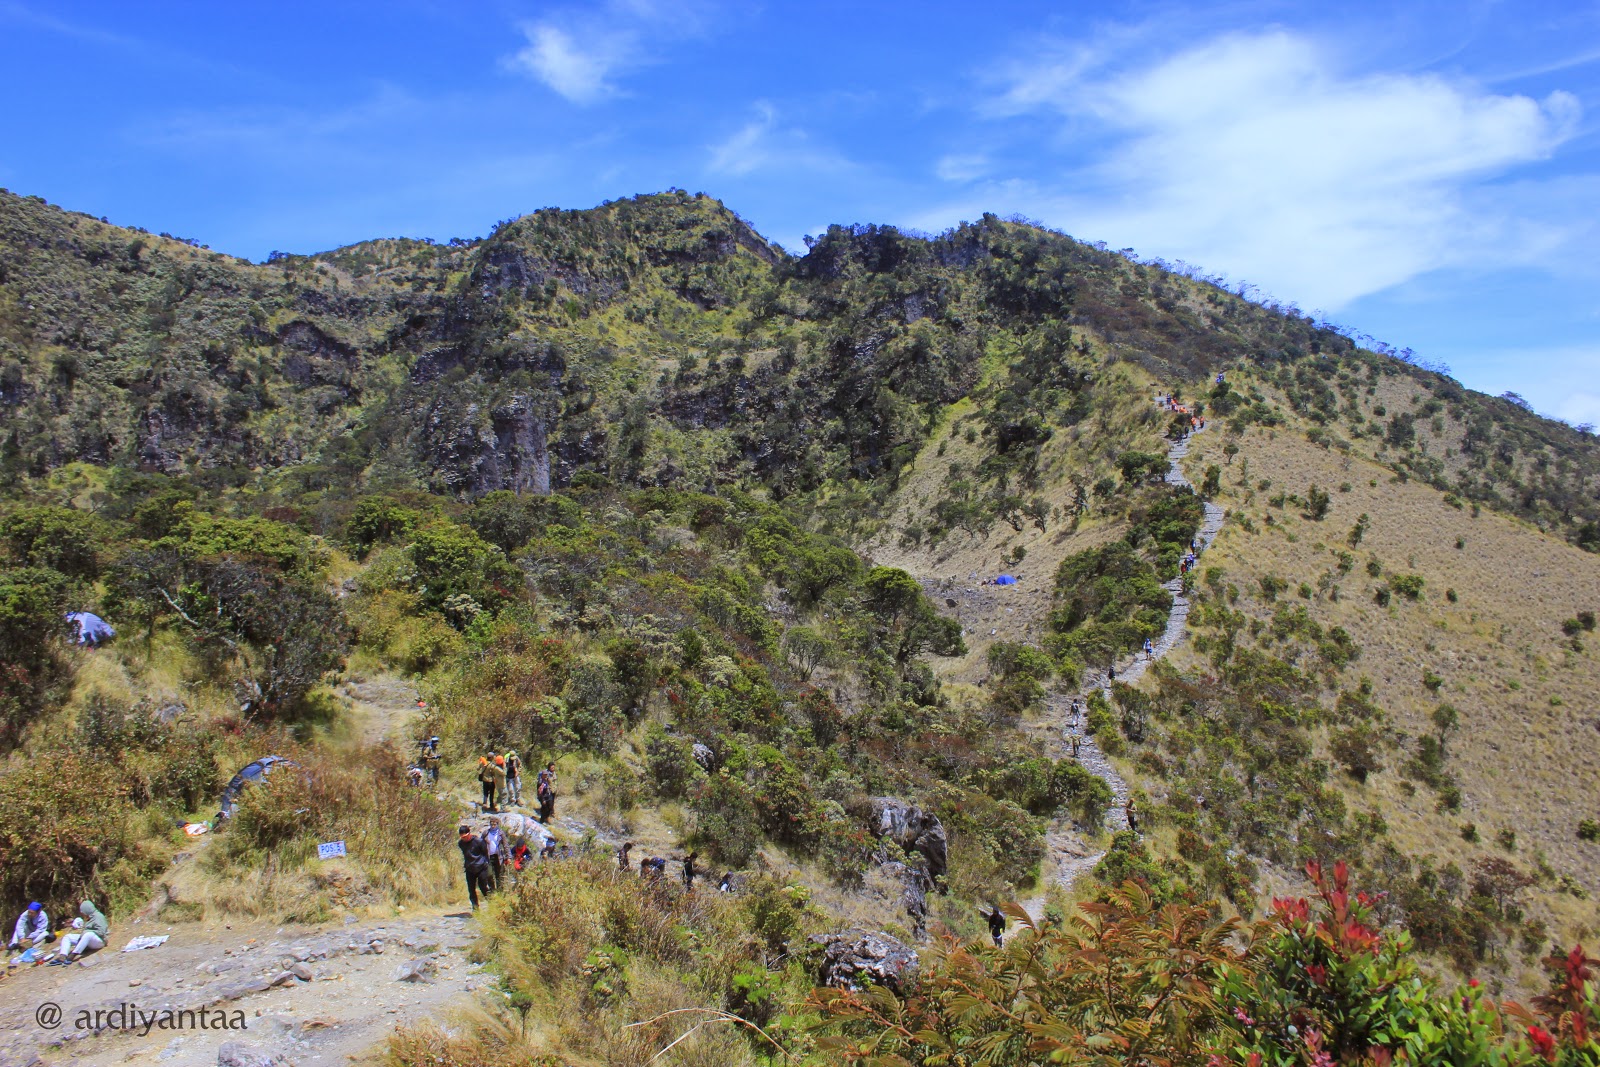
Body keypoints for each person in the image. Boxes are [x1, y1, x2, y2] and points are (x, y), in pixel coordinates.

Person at [458, 826, 494, 911]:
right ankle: (475, 908)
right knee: (471, 889)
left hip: (481, 867)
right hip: (469, 868)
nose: (463, 838)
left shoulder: (479, 841)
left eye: (465, 836)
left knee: (483, 887)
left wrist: (485, 864)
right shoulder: (461, 843)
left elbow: (485, 853)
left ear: (469, 834)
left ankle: (492, 904)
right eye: (461, 837)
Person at [484, 817, 508, 890]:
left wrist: (508, 856)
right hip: (488, 856)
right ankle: (492, 889)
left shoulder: (501, 833)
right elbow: (481, 843)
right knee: (489, 874)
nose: (493, 826)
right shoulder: (486, 833)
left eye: (494, 824)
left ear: (497, 824)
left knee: (499, 874)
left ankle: (500, 890)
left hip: (498, 856)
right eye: (491, 824)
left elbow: (505, 845)